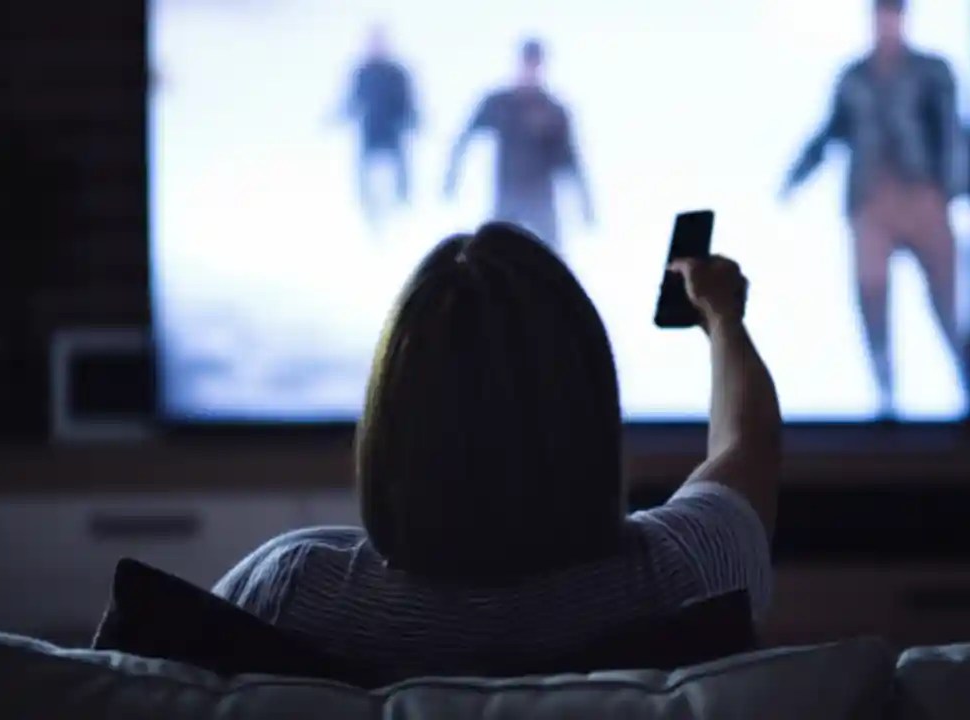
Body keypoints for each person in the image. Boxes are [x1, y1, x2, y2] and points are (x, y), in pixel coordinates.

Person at [214, 222, 781, 679]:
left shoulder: (287, 587)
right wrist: (721, 318)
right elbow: (745, 444)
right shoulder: (690, 570)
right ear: (589, 415)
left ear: (390, 426)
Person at [780, 0, 970, 417]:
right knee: (871, 295)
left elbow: (953, 133)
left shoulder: (932, 72)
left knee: (948, 306)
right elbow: (831, 132)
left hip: (923, 196)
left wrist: (954, 191)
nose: (887, 23)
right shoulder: (853, 78)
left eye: (894, 15)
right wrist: (796, 176)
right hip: (871, 201)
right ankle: (886, 397)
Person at [444, 40, 593, 251]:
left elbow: (571, 161)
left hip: (541, 197)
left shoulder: (552, 111)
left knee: (551, 257)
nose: (530, 71)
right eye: (527, 64)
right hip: (507, 195)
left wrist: (586, 205)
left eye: (535, 65)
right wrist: (451, 177)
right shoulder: (500, 103)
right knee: (494, 254)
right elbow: (466, 137)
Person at [343, 26, 417, 228]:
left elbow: (409, 102)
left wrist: (413, 119)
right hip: (369, 136)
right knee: (367, 184)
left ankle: (401, 215)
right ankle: (371, 219)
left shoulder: (397, 73)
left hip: (393, 136)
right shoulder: (362, 73)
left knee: (398, 181)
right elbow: (351, 101)